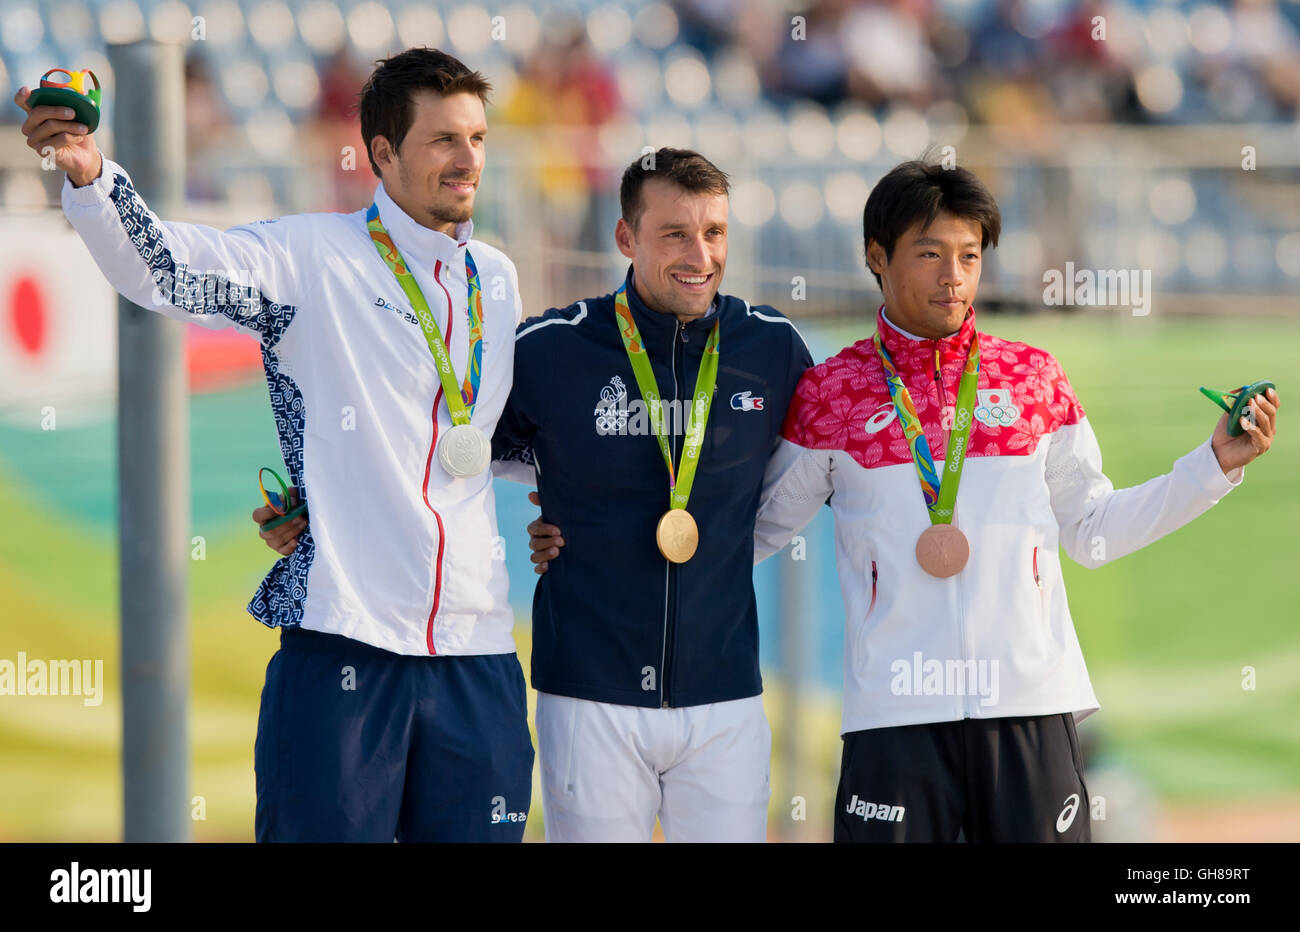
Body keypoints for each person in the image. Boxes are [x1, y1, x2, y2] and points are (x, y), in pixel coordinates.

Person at [17, 47, 535, 842]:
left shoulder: (495, 279)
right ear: (383, 153)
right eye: (442, 141)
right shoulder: (308, 257)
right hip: (345, 646)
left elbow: (479, 433)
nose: (468, 161)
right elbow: (169, 271)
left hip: (479, 656)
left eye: (477, 138)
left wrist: (572, 504)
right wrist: (90, 175)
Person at [263, 148, 815, 842]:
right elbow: (435, 443)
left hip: (727, 690)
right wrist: (324, 509)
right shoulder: (553, 348)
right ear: (625, 239)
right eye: (674, 233)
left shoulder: (772, 348)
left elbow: (823, 467)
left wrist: (730, 546)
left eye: (714, 233)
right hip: (586, 691)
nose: (698, 254)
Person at [750, 158, 1281, 842]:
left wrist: (1210, 467)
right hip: (895, 722)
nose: (954, 276)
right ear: (876, 257)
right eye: (930, 253)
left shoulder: (1033, 378)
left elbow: (1092, 530)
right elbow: (758, 531)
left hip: (1032, 712)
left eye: (970, 255)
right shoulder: (830, 394)